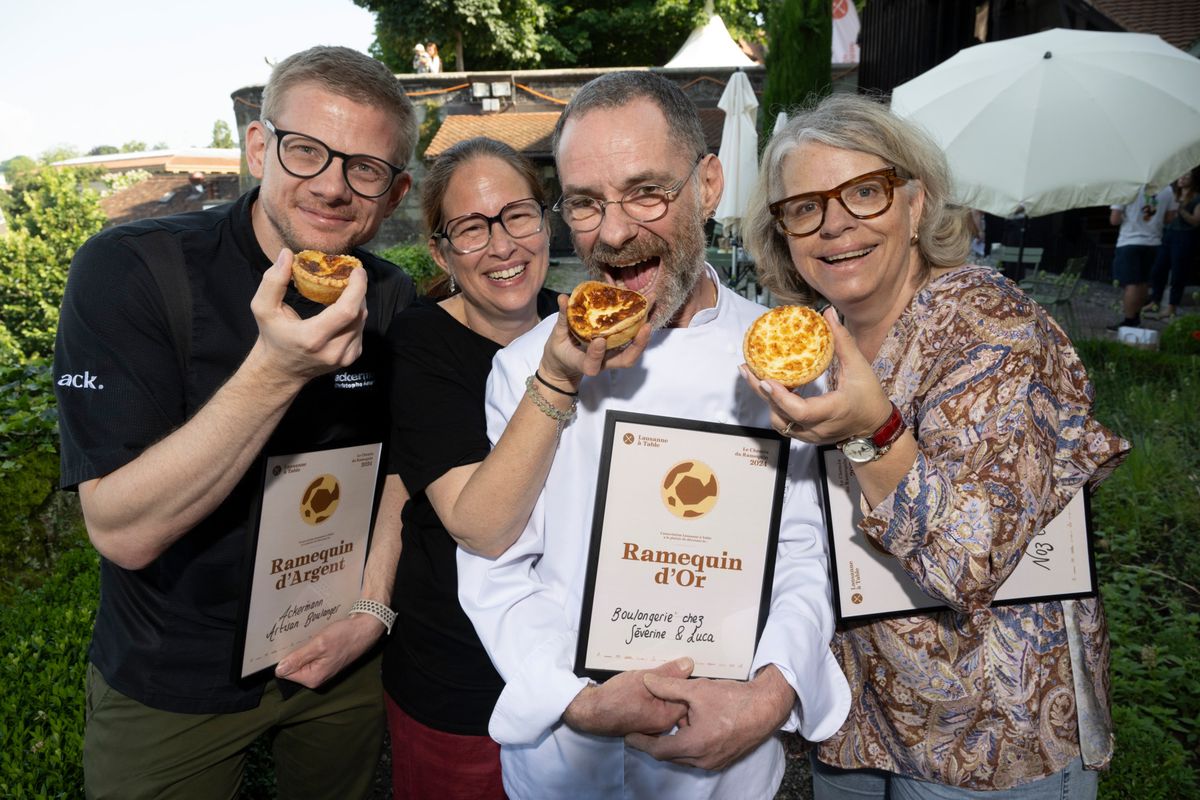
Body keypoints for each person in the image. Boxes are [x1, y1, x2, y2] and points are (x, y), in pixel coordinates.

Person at [456, 70, 850, 800]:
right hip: (565, 766)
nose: (611, 233)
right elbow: (498, 568)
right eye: (584, 203)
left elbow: (804, 552)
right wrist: (574, 697)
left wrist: (767, 698)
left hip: (726, 767)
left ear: (707, 184)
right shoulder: (522, 369)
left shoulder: (778, 357)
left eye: (646, 193)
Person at [53, 46, 418, 798]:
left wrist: (372, 610)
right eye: (307, 150)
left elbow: (399, 468)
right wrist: (276, 372)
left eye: (366, 168)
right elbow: (121, 532)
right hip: (171, 677)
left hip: (336, 656)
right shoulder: (134, 270)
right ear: (260, 146)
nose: (332, 186)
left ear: (394, 190)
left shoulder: (388, 295)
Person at [743, 93, 1130, 798]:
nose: (834, 224)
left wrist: (873, 432)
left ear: (916, 205)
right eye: (804, 207)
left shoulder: (996, 331)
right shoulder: (804, 348)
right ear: (784, 234)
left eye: (864, 192)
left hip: (984, 741)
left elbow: (971, 560)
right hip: (852, 718)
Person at [382, 136, 633, 798]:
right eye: (471, 228)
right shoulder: (419, 344)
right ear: (440, 252)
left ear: (544, 220)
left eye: (518, 215)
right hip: (464, 687)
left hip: (579, 671)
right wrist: (554, 380)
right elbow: (481, 526)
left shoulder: (576, 319)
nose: (503, 246)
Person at [1107, 181, 1177, 330]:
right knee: (1143, 281)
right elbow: (1170, 217)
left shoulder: (1126, 187)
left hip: (1129, 241)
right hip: (1153, 242)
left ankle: (1129, 320)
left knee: (1131, 283)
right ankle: (1136, 316)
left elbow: (1114, 219)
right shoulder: (1167, 189)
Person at [1147, 166, 1200, 321]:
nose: (1182, 178)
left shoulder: (1196, 197)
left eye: (1187, 176)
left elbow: (1196, 221)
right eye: (1181, 176)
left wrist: (1181, 210)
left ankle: (1171, 306)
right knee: (1158, 268)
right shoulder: (1171, 194)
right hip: (1168, 234)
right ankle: (1155, 301)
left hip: (1184, 236)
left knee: (1178, 272)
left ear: (1193, 179)